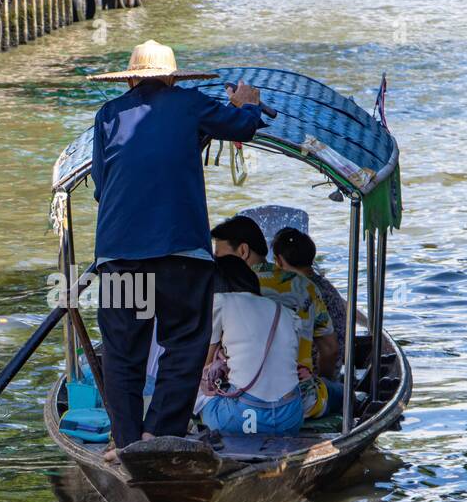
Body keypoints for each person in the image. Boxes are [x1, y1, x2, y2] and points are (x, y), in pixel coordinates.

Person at [87, 40, 264, 459]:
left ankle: (127, 440)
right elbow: (241, 127)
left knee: (122, 351)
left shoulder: (108, 115)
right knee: (184, 342)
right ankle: (158, 433)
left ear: (130, 79)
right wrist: (248, 104)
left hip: (119, 257)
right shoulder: (188, 105)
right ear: (171, 78)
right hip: (180, 256)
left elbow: (100, 186)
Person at [210, 214, 340, 418]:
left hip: (239, 400)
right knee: (339, 391)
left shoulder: (225, 293)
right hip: (300, 402)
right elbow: (330, 349)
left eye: (219, 255)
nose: (216, 262)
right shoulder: (305, 286)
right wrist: (322, 379)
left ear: (243, 251)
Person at [197, 255, 302, 436]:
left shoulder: (221, 300)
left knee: (194, 390)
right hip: (290, 416)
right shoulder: (284, 311)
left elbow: (204, 364)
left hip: (242, 418)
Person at [271, 226, 349, 367]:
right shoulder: (324, 286)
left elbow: (329, 350)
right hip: (334, 367)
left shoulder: (299, 290)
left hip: (314, 375)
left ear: (279, 261)